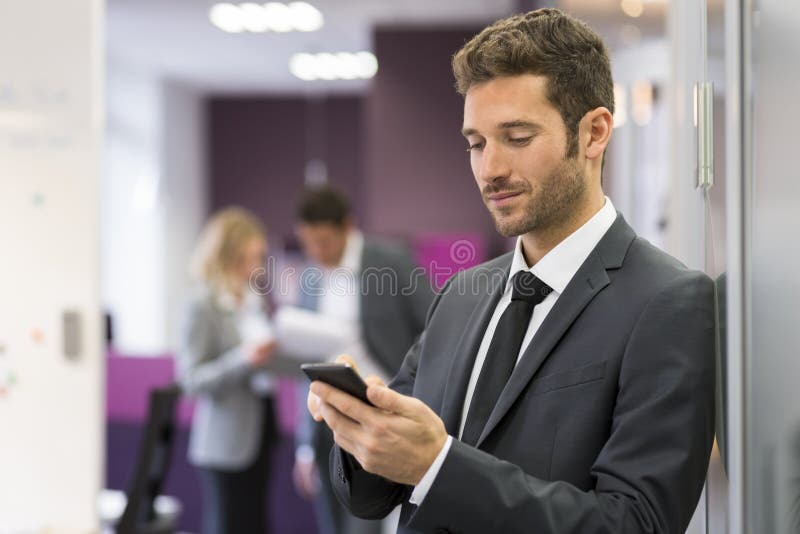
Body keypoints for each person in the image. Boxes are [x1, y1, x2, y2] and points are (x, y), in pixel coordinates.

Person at [307, 8, 715, 534]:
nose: (490, 169)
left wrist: (437, 466)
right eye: (476, 143)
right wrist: (359, 427)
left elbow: (637, 523)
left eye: (517, 138)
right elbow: (374, 494)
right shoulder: (461, 293)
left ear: (593, 134)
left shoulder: (668, 302)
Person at [291, 184, 434, 534]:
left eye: (323, 242)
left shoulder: (390, 262)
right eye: (308, 242)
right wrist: (304, 448)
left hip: (378, 416)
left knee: (363, 526)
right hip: (325, 419)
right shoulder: (309, 277)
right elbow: (305, 363)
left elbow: (436, 328)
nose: (316, 252)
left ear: (348, 227)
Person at [176, 207, 279, 534]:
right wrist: (243, 359)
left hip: (261, 429)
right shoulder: (201, 304)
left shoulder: (253, 300)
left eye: (259, 257)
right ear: (227, 257)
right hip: (224, 442)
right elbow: (191, 380)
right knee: (229, 525)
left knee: (257, 524)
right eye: (249, 258)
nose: (257, 268)